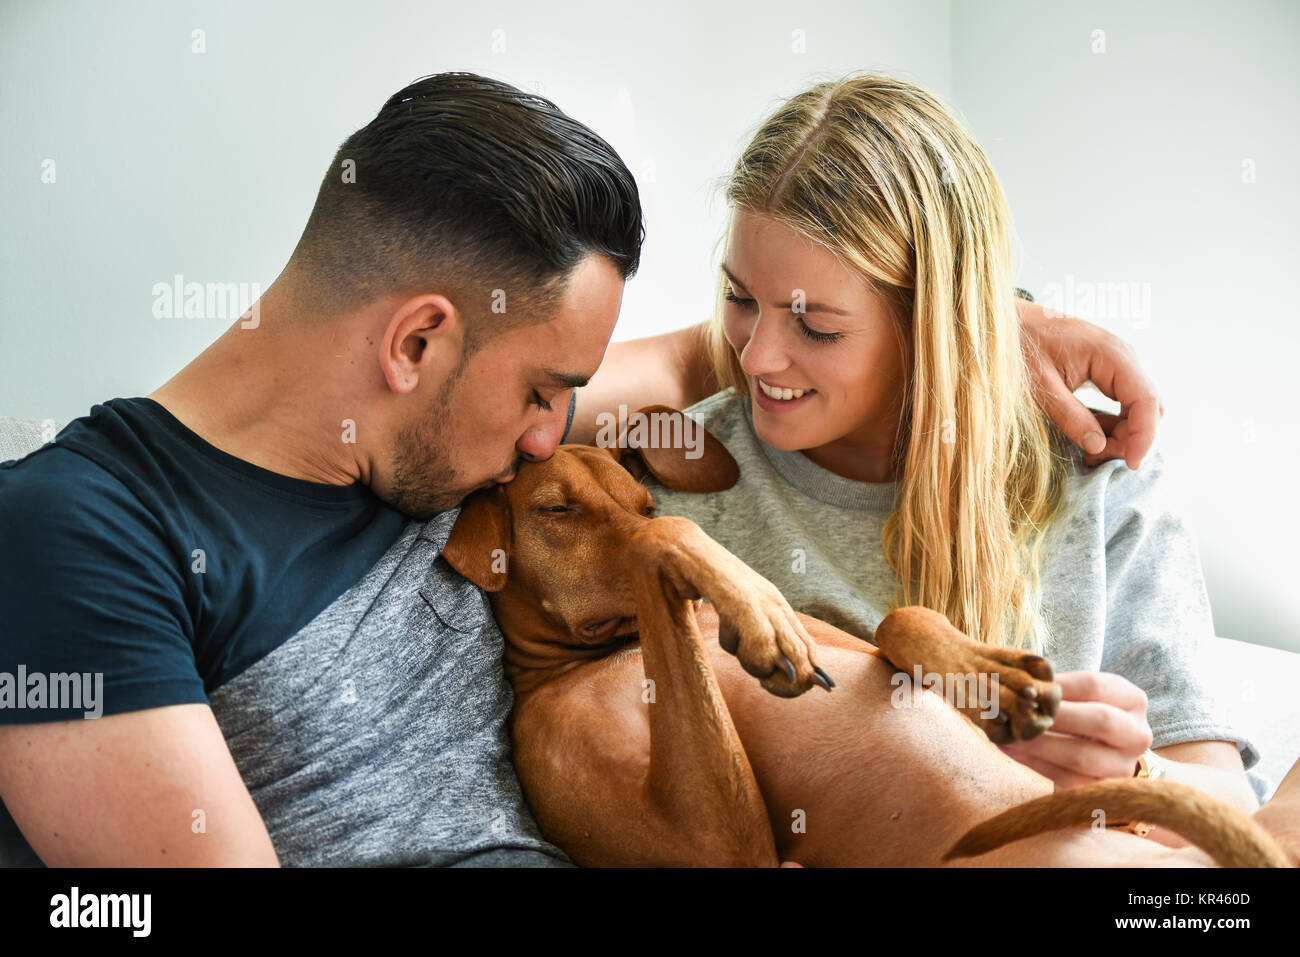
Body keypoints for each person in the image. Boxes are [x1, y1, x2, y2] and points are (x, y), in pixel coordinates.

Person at [0, 71, 1166, 867]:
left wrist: (988, 319)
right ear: (415, 342)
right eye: (547, 391)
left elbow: (741, 349)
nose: (565, 435)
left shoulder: (450, 437)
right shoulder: (82, 533)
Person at [570, 72, 1262, 852]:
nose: (758, 354)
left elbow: (1233, 809)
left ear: (930, 322)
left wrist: (1133, 778)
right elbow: (513, 390)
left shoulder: (1099, 487)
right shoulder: (671, 477)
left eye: (815, 326)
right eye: (740, 298)